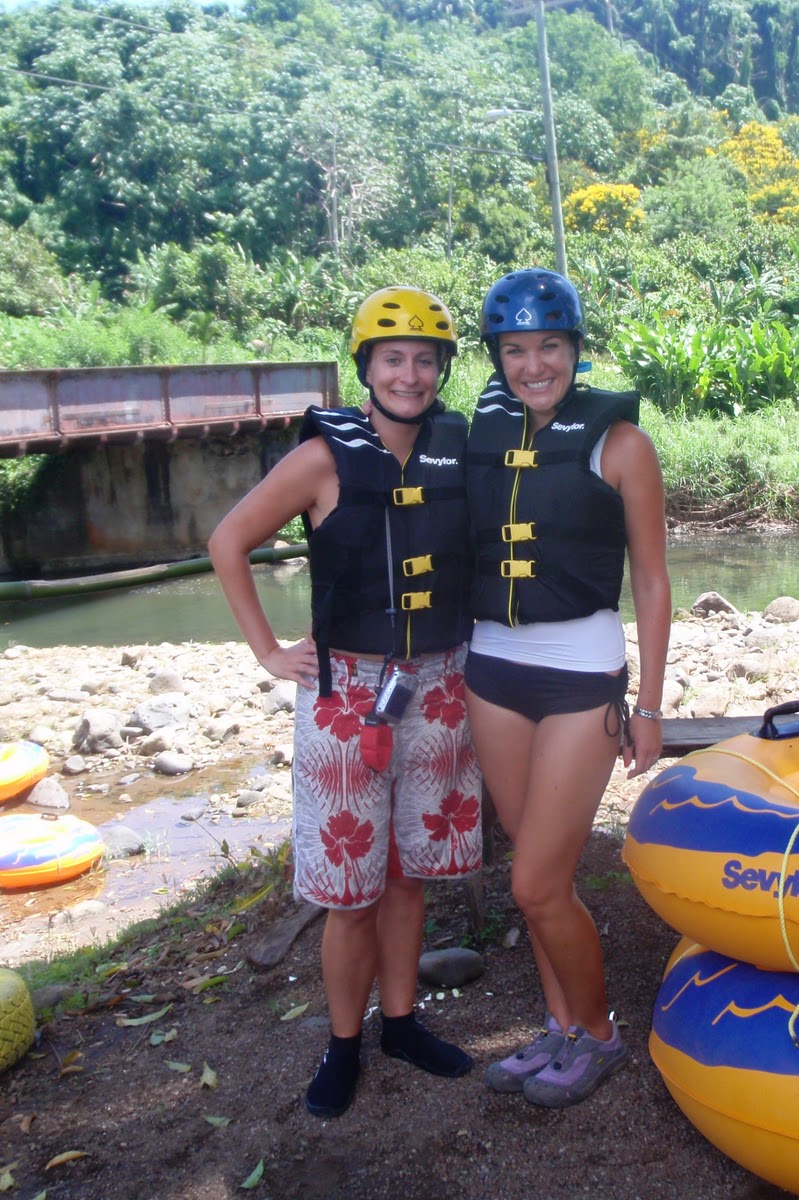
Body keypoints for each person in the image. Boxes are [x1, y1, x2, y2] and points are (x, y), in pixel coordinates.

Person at [208, 286, 482, 1120]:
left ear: (441, 370)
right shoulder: (324, 455)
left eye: (426, 359)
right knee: (351, 891)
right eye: (393, 358)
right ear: (365, 366)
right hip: (346, 697)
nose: (410, 374)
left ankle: (401, 1023)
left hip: (438, 686)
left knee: (407, 878)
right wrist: (267, 651)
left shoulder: (457, 445)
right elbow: (228, 541)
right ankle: (344, 1043)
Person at [464, 267, 671, 1108]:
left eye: (548, 345)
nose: (532, 364)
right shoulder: (477, 435)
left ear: (575, 350)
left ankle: (601, 1032)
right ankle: (560, 1024)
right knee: (537, 871)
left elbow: (654, 583)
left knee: (535, 885)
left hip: (582, 677)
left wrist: (650, 705)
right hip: (491, 673)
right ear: (497, 358)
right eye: (514, 350)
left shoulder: (620, 444)